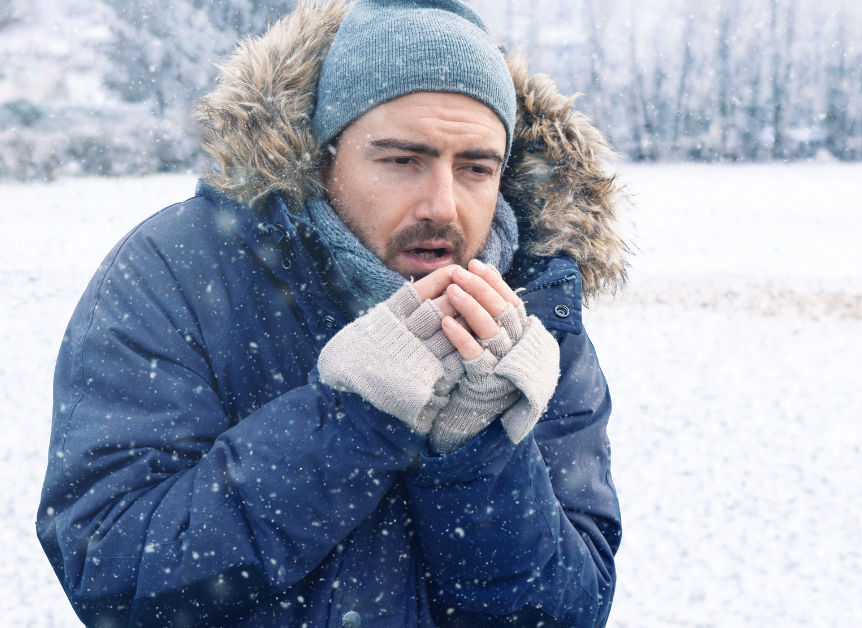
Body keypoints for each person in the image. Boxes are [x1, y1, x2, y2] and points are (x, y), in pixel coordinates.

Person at [35, 1, 628, 626]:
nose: (443, 205)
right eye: (402, 160)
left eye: (476, 168)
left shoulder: (529, 314)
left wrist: (482, 449)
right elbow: (111, 573)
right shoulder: (180, 273)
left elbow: (567, 613)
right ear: (322, 158)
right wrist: (351, 418)